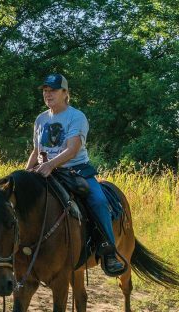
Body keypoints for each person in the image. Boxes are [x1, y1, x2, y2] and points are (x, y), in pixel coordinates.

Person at [26, 73, 126, 276]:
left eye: (53, 90)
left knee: (98, 201)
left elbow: (72, 149)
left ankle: (108, 252)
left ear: (65, 93)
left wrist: (50, 165)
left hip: (76, 171)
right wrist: (26, 172)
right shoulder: (41, 119)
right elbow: (36, 152)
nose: (48, 94)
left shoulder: (76, 116)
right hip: (46, 170)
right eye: (45, 90)